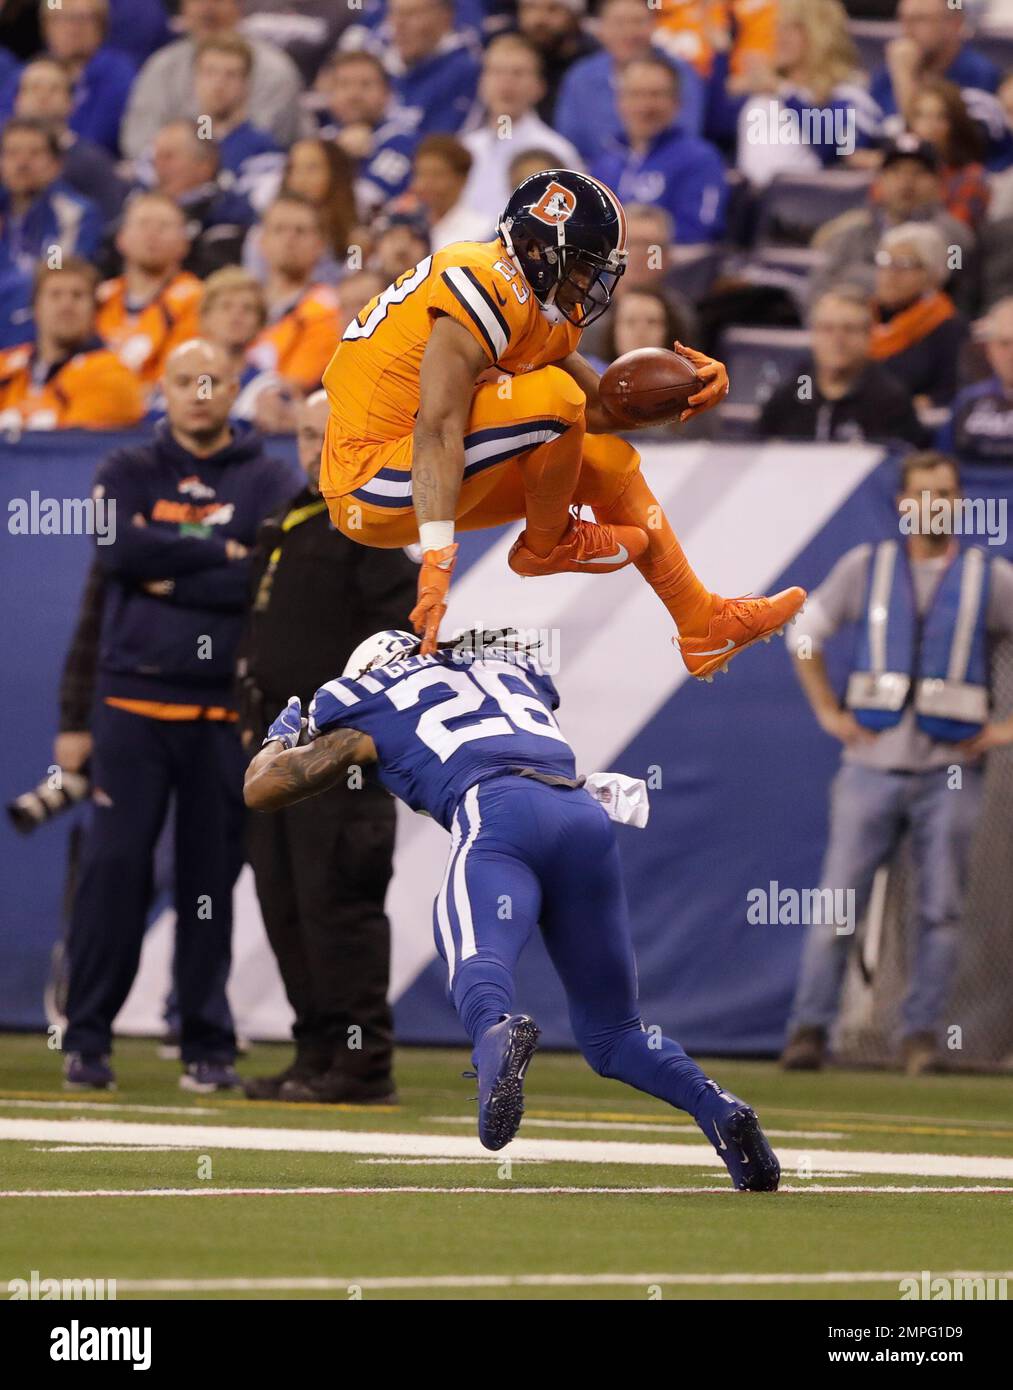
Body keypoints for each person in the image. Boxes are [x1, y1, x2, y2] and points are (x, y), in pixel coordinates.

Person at [244, 627, 781, 1191]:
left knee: (473, 953)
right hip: (580, 816)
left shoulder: (363, 702)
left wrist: (276, 740)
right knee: (615, 1034)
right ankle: (720, 1110)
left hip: (498, 812)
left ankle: (495, 1033)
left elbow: (263, 790)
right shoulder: (507, 670)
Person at [319, 168, 805, 680]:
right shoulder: (483, 283)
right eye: (582, 266)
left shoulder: (541, 304)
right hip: (370, 477)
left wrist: (691, 391)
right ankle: (548, 545)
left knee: (605, 461)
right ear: (535, 250)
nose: (590, 283)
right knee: (553, 396)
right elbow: (437, 429)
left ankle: (702, 622)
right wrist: (437, 564)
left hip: (425, 462)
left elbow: (600, 411)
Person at [61, 339, 298, 1093]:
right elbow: (118, 554)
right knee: (115, 871)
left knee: (208, 881)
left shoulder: (270, 475)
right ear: (161, 388)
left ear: (235, 387)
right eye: (185, 379)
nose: (200, 391)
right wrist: (215, 550)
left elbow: (261, 573)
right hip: (128, 706)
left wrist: (168, 565)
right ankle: (88, 1038)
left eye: (216, 379)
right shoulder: (124, 470)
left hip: (219, 713)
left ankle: (206, 1043)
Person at [782, 451, 1013, 1075]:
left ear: (960, 502)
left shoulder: (989, 579)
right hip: (870, 767)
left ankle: (920, 1039)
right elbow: (804, 630)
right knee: (836, 907)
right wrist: (830, 713)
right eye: (922, 495)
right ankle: (808, 1031)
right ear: (904, 504)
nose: (933, 506)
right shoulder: (869, 568)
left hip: (951, 772)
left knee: (941, 912)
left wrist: (1001, 731)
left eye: (944, 494)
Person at [240, 392, 418, 1104]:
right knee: (285, 904)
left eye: (327, 434)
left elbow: (399, 641)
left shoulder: (373, 524)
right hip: (276, 755)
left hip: (338, 762)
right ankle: (314, 1052)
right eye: (306, 435)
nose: (313, 448)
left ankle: (362, 1063)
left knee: (337, 902)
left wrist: (349, 738)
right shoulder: (290, 516)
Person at [120, 0, 311, 160]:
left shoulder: (273, 69)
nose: (207, 9)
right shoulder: (162, 66)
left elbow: (262, 146)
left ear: (239, 5)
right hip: (174, 181)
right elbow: (139, 141)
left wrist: (201, 161)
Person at [810, 134, 974, 314]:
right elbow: (819, 288)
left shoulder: (954, 239)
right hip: (854, 332)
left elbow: (952, 286)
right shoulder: (851, 232)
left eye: (918, 172)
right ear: (879, 179)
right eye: (896, 171)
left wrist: (854, 277)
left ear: (938, 182)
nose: (906, 182)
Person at [732, 0, 881, 184]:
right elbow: (714, 125)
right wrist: (720, 51)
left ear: (820, 32)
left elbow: (837, 147)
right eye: (778, 27)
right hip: (753, 204)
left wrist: (785, 92)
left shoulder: (847, 93)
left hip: (809, 204)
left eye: (792, 28)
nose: (779, 36)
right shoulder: (763, 93)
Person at [758, 287, 928, 446]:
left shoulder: (890, 402)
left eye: (850, 329)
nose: (838, 340)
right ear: (813, 335)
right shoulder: (789, 397)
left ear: (869, 336)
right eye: (827, 329)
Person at [591, 57, 728, 245]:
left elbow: (699, 231)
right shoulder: (607, 159)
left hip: (663, 267)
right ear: (619, 102)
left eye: (656, 95)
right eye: (635, 94)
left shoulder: (700, 159)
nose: (645, 106)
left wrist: (633, 238)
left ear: (677, 102)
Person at [0, 258, 145, 431]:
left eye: (78, 295)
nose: (66, 305)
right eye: (55, 294)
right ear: (36, 308)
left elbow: (70, 450)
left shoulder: (114, 376)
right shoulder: (6, 366)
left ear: (95, 309)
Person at [554, 0, 705, 164]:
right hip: (593, 178)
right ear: (600, 29)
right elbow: (568, 143)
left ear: (653, 25)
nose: (628, 32)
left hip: (667, 172)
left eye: (637, 22)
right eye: (618, 23)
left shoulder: (680, 73)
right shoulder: (581, 76)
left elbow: (686, 136)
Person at [460, 34, 582, 220]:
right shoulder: (466, 147)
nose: (506, 82)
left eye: (518, 73)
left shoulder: (555, 151)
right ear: (481, 83)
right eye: (497, 72)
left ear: (539, 87)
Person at [96, 193, 202, 393]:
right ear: (121, 238)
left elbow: (182, 378)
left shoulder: (197, 300)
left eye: (164, 226)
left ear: (184, 243)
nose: (152, 234)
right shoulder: (99, 298)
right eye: (143, 224)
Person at [245, 193, 342, 407]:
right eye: (279, 229)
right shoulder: (239, 302)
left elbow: (292, 386)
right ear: (262, 241)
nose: (290, 239)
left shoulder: (329, 307)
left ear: (319, 244)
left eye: (301, 231)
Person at [340, 0, 481, 137]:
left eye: (411, 14)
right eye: (395, 13)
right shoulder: (380, 62)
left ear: (444, 18)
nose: (399, 24)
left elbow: (442, 147)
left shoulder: (465, 71)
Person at [12, 57, 126, 221]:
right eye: (34, 88)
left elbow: (110, 222)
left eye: (54, 89)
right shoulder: (4, 157)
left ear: (71, 102)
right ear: (17, 100)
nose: (43, 96)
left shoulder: (94, 162)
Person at [871, 0, 1002, 140]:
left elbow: (952, 149)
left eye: (920, 19)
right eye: (903, 18)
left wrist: (905, 80)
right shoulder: (887, 73)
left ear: (955, 24)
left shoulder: (979, 75)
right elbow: (865, 134)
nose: (907, 29)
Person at [140, 121, 256, 279]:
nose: (159, 166)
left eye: (169, 157)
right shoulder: (140, 205)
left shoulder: (228, 212)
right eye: (156, 158)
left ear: (205, 164)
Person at [869, 222, 967, 407]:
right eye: (884, 262)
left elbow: (951, 394)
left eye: (903, 265)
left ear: (932, 274)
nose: (890, 274)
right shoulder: (859, 320)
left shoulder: (949, 329)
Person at [314, 50, 419, 214]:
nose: (354, 94)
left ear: (387, 93)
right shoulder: (321, 139)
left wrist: (341, 160)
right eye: (344, 85)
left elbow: (367, 203)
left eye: (366, 84)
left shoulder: (403, 142)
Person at [0, 117, 103, 281]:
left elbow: (56, 278)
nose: (22, 163)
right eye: (12, 153)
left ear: (56, 164)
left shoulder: (72, 214)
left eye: (35, 153)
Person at [191, 33, 284, 208]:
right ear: (196, 79)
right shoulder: (176, 141)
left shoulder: (262, 148)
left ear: (246, 84)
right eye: (210, 72)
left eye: (231, 75)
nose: (218, 84)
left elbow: (256, 208)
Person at [937, 296, 1013, 464]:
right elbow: (941, 463)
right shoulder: (968, 401)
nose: (1011, 354)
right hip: (969, 488)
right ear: (989, 349)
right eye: (1004, 343)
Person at [906, 79, 990, 228]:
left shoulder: (971, 177)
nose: (929, 125)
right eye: (921, 115)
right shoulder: (894, 173)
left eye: (940, 117)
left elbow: (957, 236)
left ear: (956, 124)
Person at [516, 0, 597, 120]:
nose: (539, 19)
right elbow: (504, 123)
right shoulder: (507, 58)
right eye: (530, 8)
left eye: (552, 9)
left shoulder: (593, 65)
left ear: (574, 17)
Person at [410, 135, 489, 249]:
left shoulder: (482, 234)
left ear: (462, 179)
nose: (423, 184)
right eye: (420, 174)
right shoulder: (406, 224)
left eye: (436, 175)